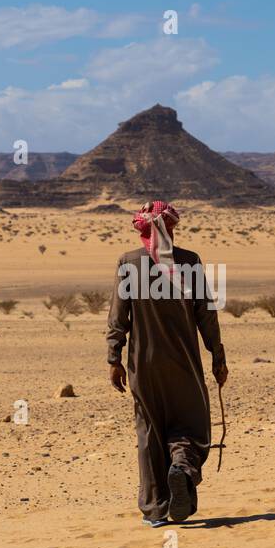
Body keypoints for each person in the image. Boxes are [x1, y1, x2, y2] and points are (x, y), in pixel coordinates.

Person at [106, 201, 228, 526]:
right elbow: (207, 315)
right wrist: (218, 357)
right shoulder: (189, 262)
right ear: (171, 227)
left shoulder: (129, 263)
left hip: (143, 365)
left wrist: (114, 359)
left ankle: (156, 509)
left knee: (149, 432)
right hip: (184, 363)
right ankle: (183, 468)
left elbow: (118, 318)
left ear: (142, 228)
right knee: (191, 423)